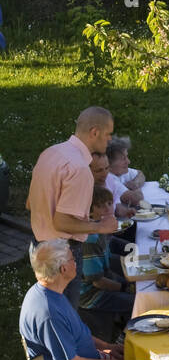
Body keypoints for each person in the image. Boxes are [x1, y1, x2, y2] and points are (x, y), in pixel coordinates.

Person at [19, 239, 136, 360]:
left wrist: (106, 347)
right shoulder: (49, 312)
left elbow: (78, 332)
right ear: (64, 269)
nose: (77, 263)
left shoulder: (51, 291)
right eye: (73, 259)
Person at [27, 107, 117, 308]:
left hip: (40, 247)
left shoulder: (51, 152)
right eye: (108, 133)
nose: (110, 139)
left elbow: (29, 203)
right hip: (61, 253)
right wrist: (99, 226)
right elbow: (62, 221)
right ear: (95, 132)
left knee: (52, 313)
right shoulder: (79, 169)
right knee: (64, 317)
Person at [80, 186, 135, 324]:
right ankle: (123, 335)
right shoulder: (90, 239)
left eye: (109, 203)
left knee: (139, 286)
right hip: (91, 295)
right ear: (90, 212)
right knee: (137, 303)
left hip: (105, 279)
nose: (107, 208)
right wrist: (124, 288)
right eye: (100, 206)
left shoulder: (102, 229)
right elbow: (98, 281)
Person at [105, 137, 145, 213]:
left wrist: (135, 183)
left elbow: (140, 173)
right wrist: (136, 188)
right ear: (109, 163)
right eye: (123, 159)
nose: (128, 161)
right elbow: (136, 200)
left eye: (127, 157)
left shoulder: (119, 171)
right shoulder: (109, 179)